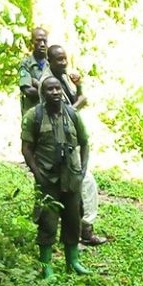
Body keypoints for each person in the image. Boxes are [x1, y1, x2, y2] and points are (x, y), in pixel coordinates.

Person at [21, 77, 90, 279]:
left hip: (71, 177)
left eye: (58, 88)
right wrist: (37, 173)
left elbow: (85, 143)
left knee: (73, 219)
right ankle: (46, 267)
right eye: (50, 89)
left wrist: (83, 169)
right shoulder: (34, 115)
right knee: (47, 221)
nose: (55, 92)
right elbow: (26, 149)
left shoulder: (72, 114)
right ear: (43, 93)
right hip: (47, 178)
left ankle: (73, 261)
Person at [45, 46, 107, 247]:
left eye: (65, 59)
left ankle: (81, 231)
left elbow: (80, 101)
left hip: (70, 140)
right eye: (59, 60)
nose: (63, 63)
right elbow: (66, 110)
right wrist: (77, 104)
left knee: (80, 185)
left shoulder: (62, 78)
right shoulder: (49, 82)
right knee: (84, 184)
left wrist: (79, 87)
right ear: (50, 61)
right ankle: (82, 231)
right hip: (58, 143)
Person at [17, 27, 51, 113]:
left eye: (44, 41)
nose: (42, 44)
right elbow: (27, 90)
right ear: (32, 42)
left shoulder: (52, 62)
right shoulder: (26, 64)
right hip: (33, 115)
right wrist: (49, 92)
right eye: (38, 40)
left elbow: (61, 89)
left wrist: (36, 84)